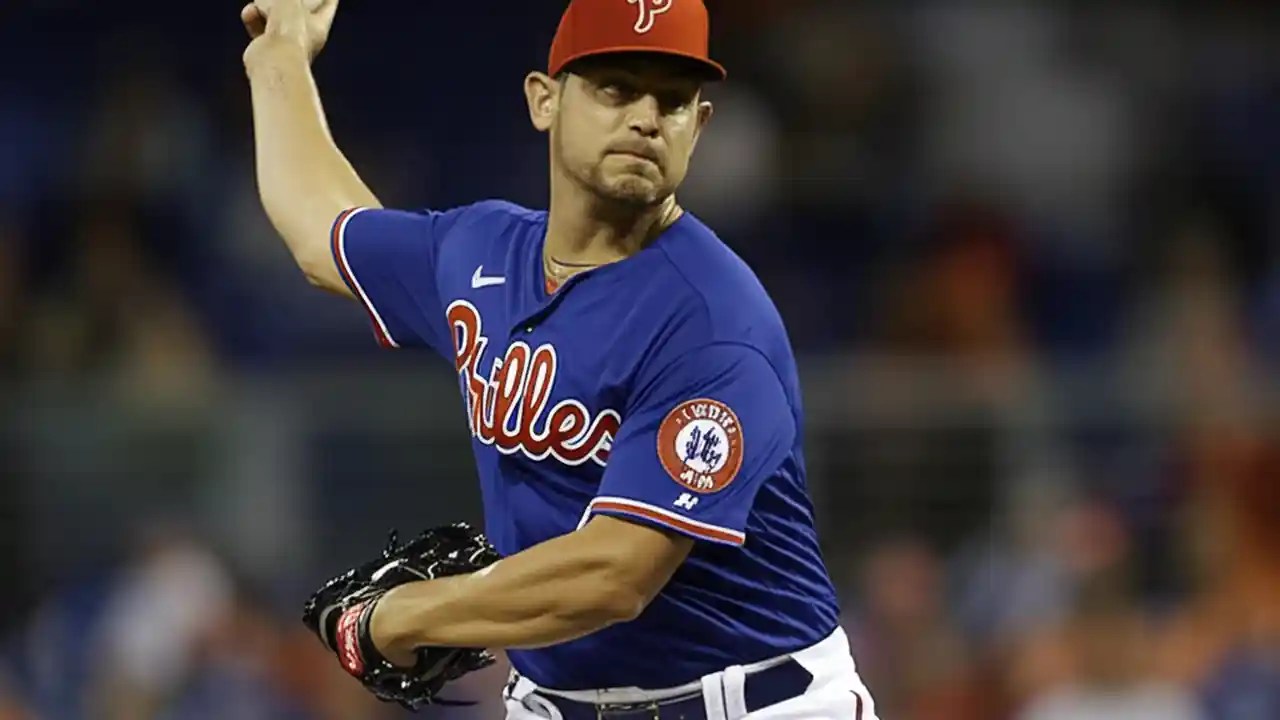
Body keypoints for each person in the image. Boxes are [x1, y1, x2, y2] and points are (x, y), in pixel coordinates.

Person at [240, 0, 879, 717]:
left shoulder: (712, 318)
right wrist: (279, 58)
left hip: (754, 700)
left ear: (698, 126)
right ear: (544, 100)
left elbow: (614, 575)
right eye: (615, 88)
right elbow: (322, 232)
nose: (645, 118)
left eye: (671, 100)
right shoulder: (483, 253)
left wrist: (400, 616)